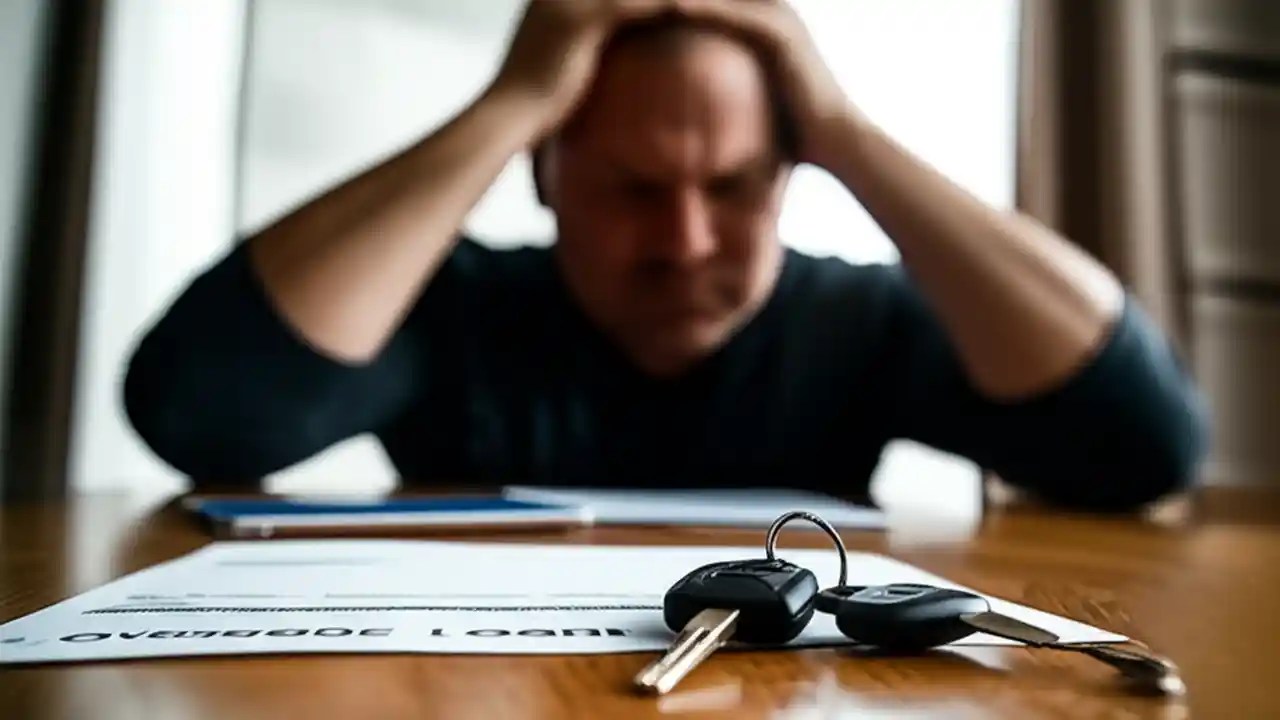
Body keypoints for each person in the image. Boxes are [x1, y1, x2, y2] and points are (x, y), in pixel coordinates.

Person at [123, 0, 1208, 510]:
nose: (686, 243)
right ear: (545, 176)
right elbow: (199, 412)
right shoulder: (458, 310)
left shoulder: (855, 323)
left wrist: (844, 132)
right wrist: (510, 106)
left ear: (788, 175)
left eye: (733, 187)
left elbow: (1140, 444)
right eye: (633, 189)